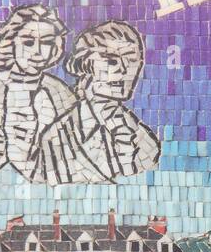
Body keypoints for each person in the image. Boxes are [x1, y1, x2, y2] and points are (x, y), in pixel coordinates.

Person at [37, 20, 160, 185]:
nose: (124, 70)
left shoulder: (146, 143)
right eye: (112, 60)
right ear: (86, 64)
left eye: (132, 61)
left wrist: (127, 163)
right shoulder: (55, 138)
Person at [0, 4, 75, 189]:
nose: (38, 52)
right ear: (12, 43)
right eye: (28, 42)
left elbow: (75, 127)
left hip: (40, 183)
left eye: (47, 42)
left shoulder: (56, 88)